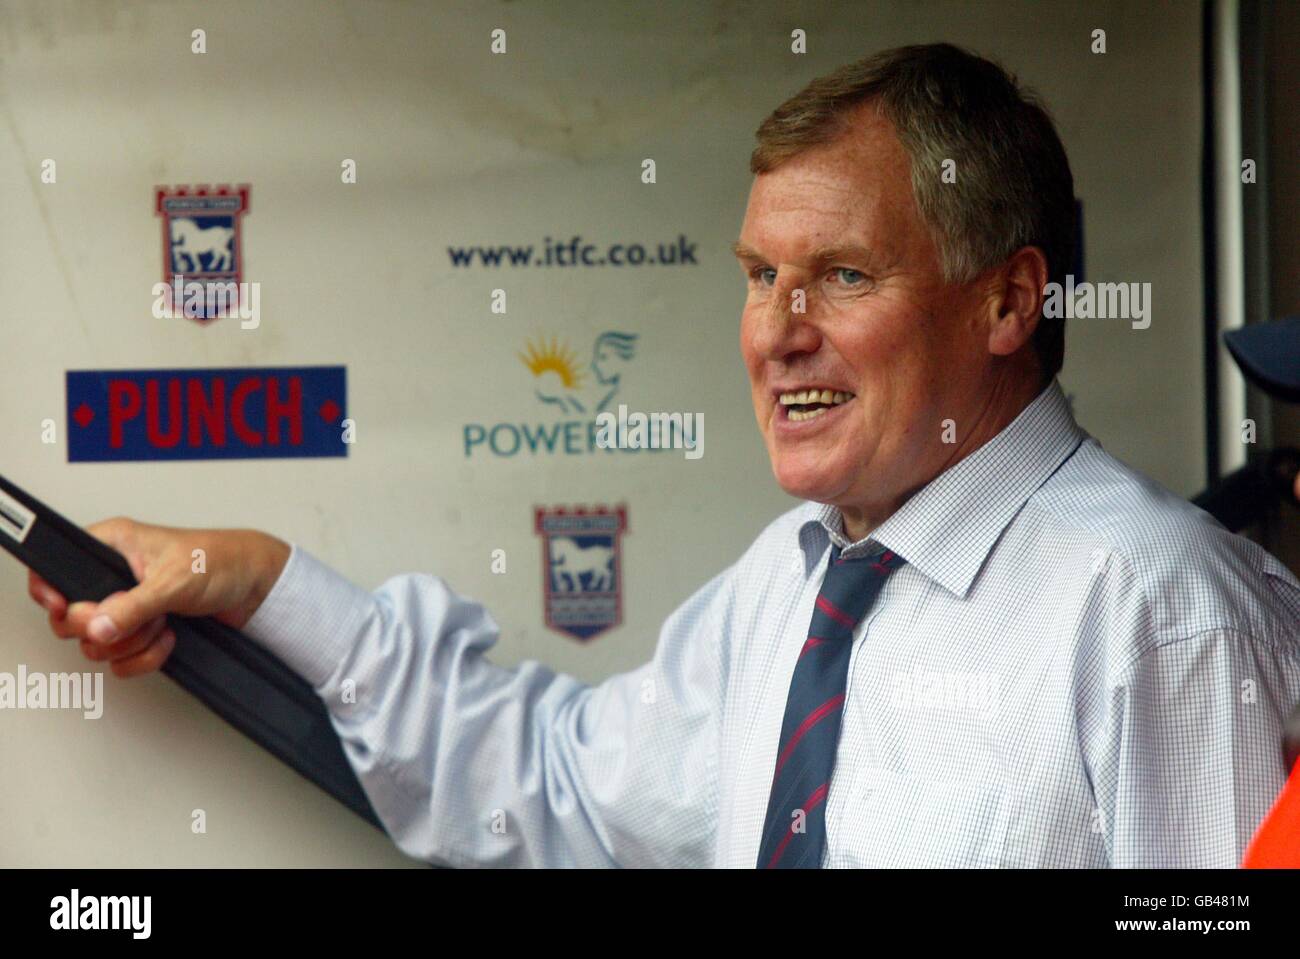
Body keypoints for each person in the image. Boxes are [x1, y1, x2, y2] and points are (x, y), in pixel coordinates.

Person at [27, 44, 1300, 868]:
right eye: (759, 277)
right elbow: (551, 785)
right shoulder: (796, 580)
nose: (778, 334)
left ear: (1006, 304)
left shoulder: (1157, 610)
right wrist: (253, 578)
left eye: (840, 276)